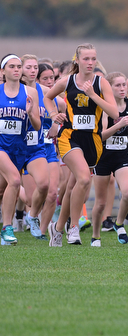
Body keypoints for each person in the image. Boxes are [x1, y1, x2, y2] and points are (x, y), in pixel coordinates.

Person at [45, 44, 118, 247]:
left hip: (93, 140)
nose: (90, 63)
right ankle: (73, 227)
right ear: (77, 60)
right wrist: (53, 115)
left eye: (93, 59)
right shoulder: (67, 81)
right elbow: (48, 97)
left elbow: (114, 113)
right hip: (69, 136)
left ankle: (57, 228)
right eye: (86, 59)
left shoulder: (101, 83)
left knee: (72, 186)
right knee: (84, 179)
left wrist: (94, 95)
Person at [89, 72, 128, 245]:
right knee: (100, 203)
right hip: (103, 157)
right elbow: (101, 136)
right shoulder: (105, 110)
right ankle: (96, 235)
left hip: (122, 155)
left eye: (124, 85)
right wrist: (119, 125)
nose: (122, 89)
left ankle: (119, 224)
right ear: (109, 88)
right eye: (117, 86)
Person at [0, 54, 40, 245]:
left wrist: (31, 112)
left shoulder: (30, 92)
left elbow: (38, 126)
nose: (16, 70)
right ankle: (7, 229)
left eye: (18, 66)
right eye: (12, 66)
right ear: (3, 71)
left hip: (19, 148)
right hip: (1, 147)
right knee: (15, 181)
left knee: (4, 189)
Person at [18, 55, 53, 240]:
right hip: (13, 146)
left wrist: (55, 120)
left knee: (44, 187)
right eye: (28, 67)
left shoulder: (44, 90)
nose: (32, 70)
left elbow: (61, 102)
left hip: (36, 145)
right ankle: (11, 222)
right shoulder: (13, 90)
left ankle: (30, 217)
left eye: (34, 67)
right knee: (7, 187)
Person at [34, 63, 62, 246]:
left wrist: (56, 124)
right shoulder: (29, 94)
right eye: (45, 78)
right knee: (31, 198)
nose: (50, 82)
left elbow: (65, 108)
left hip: (49, 148)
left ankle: (42, 232)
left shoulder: (55, 98)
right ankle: (25, 216)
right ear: (37, 80)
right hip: (30, 150)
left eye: (52, 78)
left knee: (52, 194)